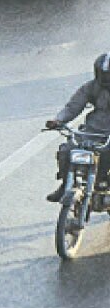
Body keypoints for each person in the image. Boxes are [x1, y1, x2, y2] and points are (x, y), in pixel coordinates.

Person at [45, 53, 110, 202]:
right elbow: (72, 107)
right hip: (91, 130)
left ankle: (103, 182)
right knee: (66, 150)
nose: (107, 78)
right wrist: (57, 120)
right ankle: (66, 184)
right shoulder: (90, 87)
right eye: (105, 74)